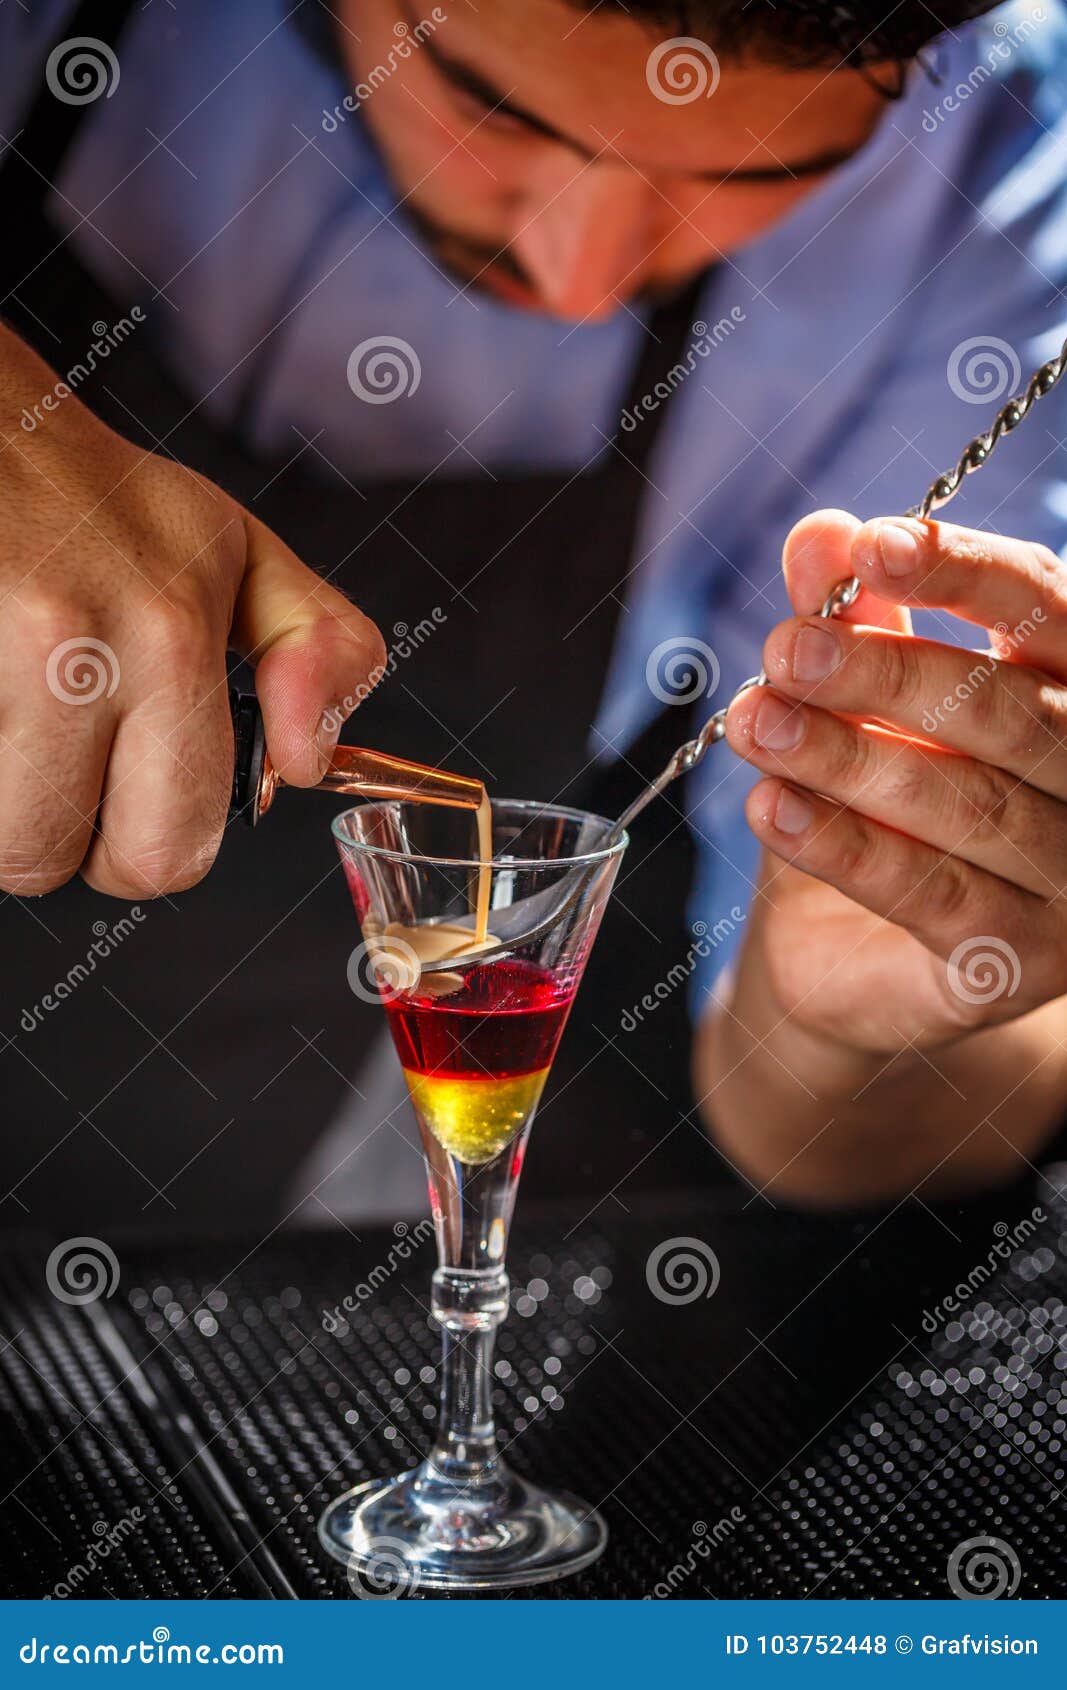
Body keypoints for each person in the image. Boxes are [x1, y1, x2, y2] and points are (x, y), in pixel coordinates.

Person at [1, 0, 1066, 1229]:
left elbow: (862, 1119)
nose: (579, 274)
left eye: (762, 172)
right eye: (485, 107)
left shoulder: (983, 182)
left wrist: (853, 1026)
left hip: (245, 1222)